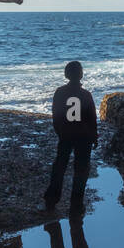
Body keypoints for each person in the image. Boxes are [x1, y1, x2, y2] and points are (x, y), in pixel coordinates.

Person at [45, 60, 97, 211]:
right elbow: (91, 118)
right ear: (80, 75)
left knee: (59, 166)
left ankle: (51, 199)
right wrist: (94, 136)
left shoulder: (60, 92)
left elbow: (56, 115)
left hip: (66, 134)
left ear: (66, 74)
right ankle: (77, 203)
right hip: (84, 136)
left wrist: (60, 132)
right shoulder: (86, 95)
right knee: (81, 169)